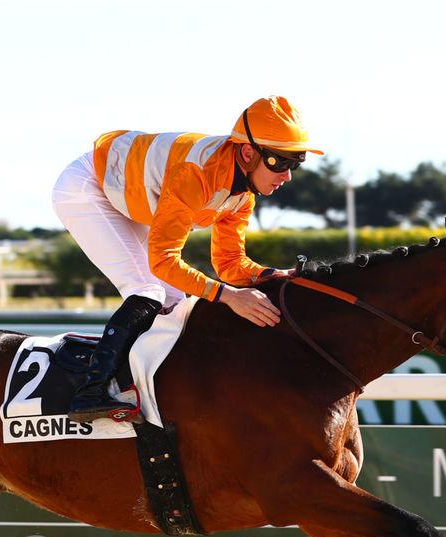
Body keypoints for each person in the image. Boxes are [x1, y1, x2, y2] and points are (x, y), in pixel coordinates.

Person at [51, 95, 323, 422]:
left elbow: (230, 265)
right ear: (248, 153)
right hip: (87, 187)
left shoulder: (242, 195)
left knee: (174, 302)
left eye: (295, 163)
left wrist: (278, 275)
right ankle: (90, 393)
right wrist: (229, 296)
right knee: (147, 289)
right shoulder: (197, 174)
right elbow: (164, 262)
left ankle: (154, 391)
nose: (287, 175)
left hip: (128, 197)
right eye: (279, 162)